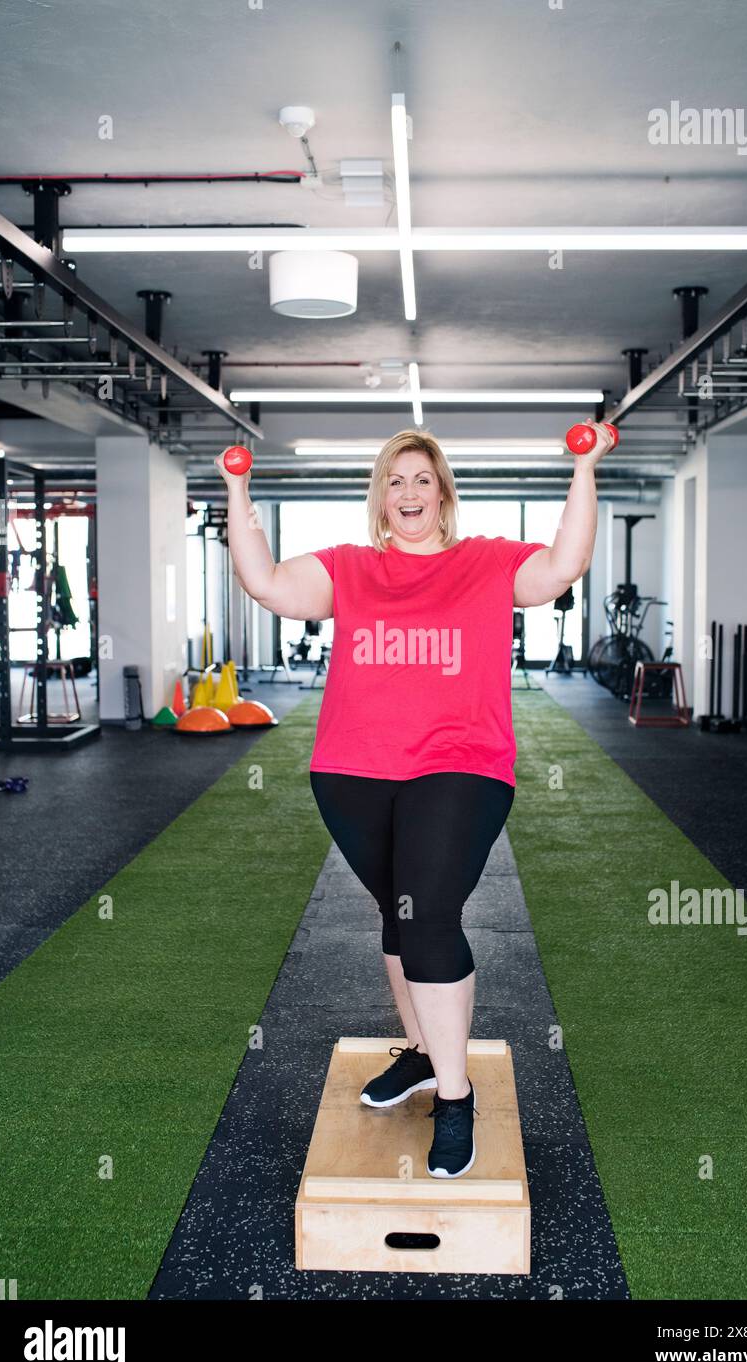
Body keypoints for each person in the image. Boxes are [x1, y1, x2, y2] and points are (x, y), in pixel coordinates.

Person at [216, 423, 612, 1178]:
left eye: (422, 480)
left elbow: (564, 565)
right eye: (395, 481)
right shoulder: (350, 569)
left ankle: (455, 1098)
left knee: (427, 914)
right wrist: (237, 491)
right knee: (398, 916)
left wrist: (584, 469)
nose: (408, 493)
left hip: (462, 766)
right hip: (352, 773)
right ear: (380, 497)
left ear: (443, 494)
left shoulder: (488, 562)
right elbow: (265, 583)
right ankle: (428, 1054)